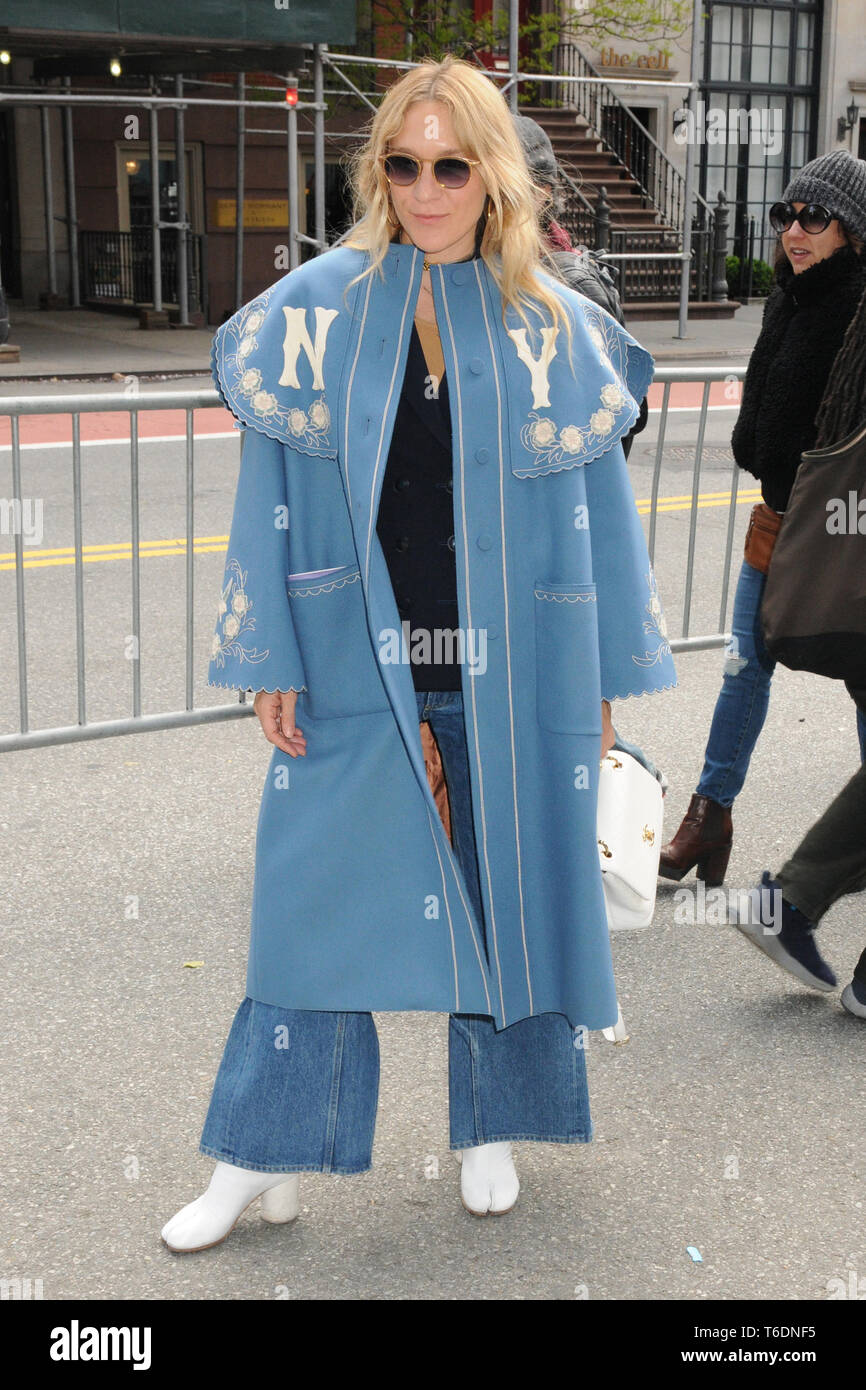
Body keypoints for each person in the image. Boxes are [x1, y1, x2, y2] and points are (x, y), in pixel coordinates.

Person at [161, 55, 676, 1254]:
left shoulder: (551, 325)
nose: (426, 186)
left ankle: (490, 1124)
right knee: (309, 905)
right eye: (404, 162)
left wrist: (595, 684)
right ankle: (261, 1155)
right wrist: (271, 656)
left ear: (489, 171)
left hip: (515, 660)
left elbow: (598, 524)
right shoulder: (313, 312)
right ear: (376, 167)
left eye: (451, 164)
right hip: (353, 652)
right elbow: (269, 495)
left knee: (506, 890)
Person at [659, 150, 866, 888]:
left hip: (841, 534)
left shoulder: (860, 307)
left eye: (815, 217)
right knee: (743, 667)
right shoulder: (788, 295)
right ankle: (710, 815)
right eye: (786, 216)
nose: (795, 231)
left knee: (862, 681)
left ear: (852, 229)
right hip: (775, 520)